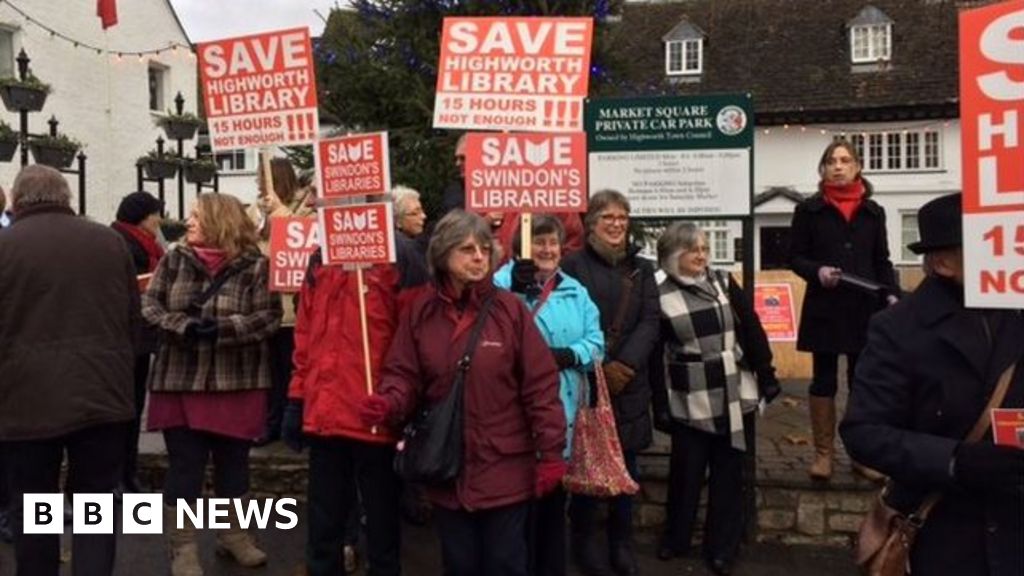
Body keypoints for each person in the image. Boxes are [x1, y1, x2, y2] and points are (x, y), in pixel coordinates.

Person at [359, 210, 567, 576]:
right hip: (447, 464)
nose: (478, 257)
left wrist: (550, 453)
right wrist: (389, 401)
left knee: (505, 564)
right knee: (459, 563)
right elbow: (404, 373)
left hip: (505, 463)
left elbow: (540, 387)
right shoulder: (420, 311)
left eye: (485, 249)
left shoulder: (509, 311)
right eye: (467, 249)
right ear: (443, 254)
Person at [840, 193, 1024, 576]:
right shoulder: (898, 328)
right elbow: (864, 432)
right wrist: (955, 460)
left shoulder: (1016, 312)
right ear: (943, 262)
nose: (1007, 252)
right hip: (944, 534)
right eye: (990, 243)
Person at [0, 165, 138, 576]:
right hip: (103, 396)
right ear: (67, 198)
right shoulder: (109, 242)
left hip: (25, 400)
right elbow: (133, 319)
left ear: (17, 200)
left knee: (34, 504)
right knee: (95, 501)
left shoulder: (6, 247)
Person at [143, 193, 282, 576]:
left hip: (237, 381)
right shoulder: (174, 259)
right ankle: (183, 548)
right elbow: (150, 308)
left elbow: (268, 317)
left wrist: (223, 329)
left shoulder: (257, 266)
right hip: (181, 383)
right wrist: (182, 326)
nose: (188, 222)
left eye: (196, 217)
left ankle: (233, 535)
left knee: (234, 467)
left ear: (221, 221)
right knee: (185, 468)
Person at [283, 218, 429, 576]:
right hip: (325, 413)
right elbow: (306, 333)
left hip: (375, 413)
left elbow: (414, 337)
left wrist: (401, 400)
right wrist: (298, 396)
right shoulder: (321, 257)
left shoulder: (400, 256)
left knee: (381, 523)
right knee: (323, 523)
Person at [648, 222, 781, 576]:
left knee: (728, 473)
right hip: (689, 392)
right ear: (674, 254)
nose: (702, 255)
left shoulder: (721, 280)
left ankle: (722, 547)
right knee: (686, 472)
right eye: (694, 250)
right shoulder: (658, 291)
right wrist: (659, 403)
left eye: (705, 248)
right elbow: (654, 352)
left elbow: (749, 326)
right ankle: (676, 538)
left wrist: (766, 373)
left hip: (733, 390)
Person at [493, 215, 605, 576]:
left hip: (562, 413)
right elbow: (484, 327)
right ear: (520, 248)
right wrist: (513, 290)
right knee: (514, 516)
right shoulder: (498, 284)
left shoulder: (575, 290)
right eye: (537, 242)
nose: (546, 249)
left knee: (552, 511)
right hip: (512, 415)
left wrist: (571, 355)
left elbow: (596, 341)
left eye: (552, 243)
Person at [560, 190, 659, 576]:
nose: (617, 224)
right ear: (591, 225)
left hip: (629, 382)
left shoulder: (642, 268)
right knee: (586, 465)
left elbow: (650, 320)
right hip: (589, 378)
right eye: (608, 217)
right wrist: (600, 364)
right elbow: (570, 316)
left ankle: (621, 542)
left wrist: (625, 365)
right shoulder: (573, 266)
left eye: (622, 217)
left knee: (626, 469)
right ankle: (583, 540)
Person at [789, 140, 899, 482]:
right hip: (825, 306)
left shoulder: (873, 211)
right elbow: (796, 258)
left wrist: (891, 293)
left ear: (857, 167)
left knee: (860, 381)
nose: (838, 166)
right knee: (823, 380)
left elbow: (881, 259)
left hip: (864, 307)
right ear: (823, 169)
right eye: (831, 161)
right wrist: (817, 271)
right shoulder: (809, 210)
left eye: (845, 160)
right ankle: (823, 454)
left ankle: (860, 455)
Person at [249, 157, 315, 447]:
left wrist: (279, 212)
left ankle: (292, 426)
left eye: (262, 181)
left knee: (291, 369)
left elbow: (301, 241)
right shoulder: (255, 211)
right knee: (269, 371)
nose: (258, 187)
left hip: (292, 308)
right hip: (263, 304)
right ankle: (270, 422)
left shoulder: (306, 210)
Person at [111, 191, 166, 494]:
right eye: (156, 214)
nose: (160, 220)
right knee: (124, 408)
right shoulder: (122, 243)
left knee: (134, 406)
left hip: (141, 337)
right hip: (126, 337)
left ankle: (129, 474)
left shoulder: (149, 245)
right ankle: (120, 476)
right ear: (143, 216)